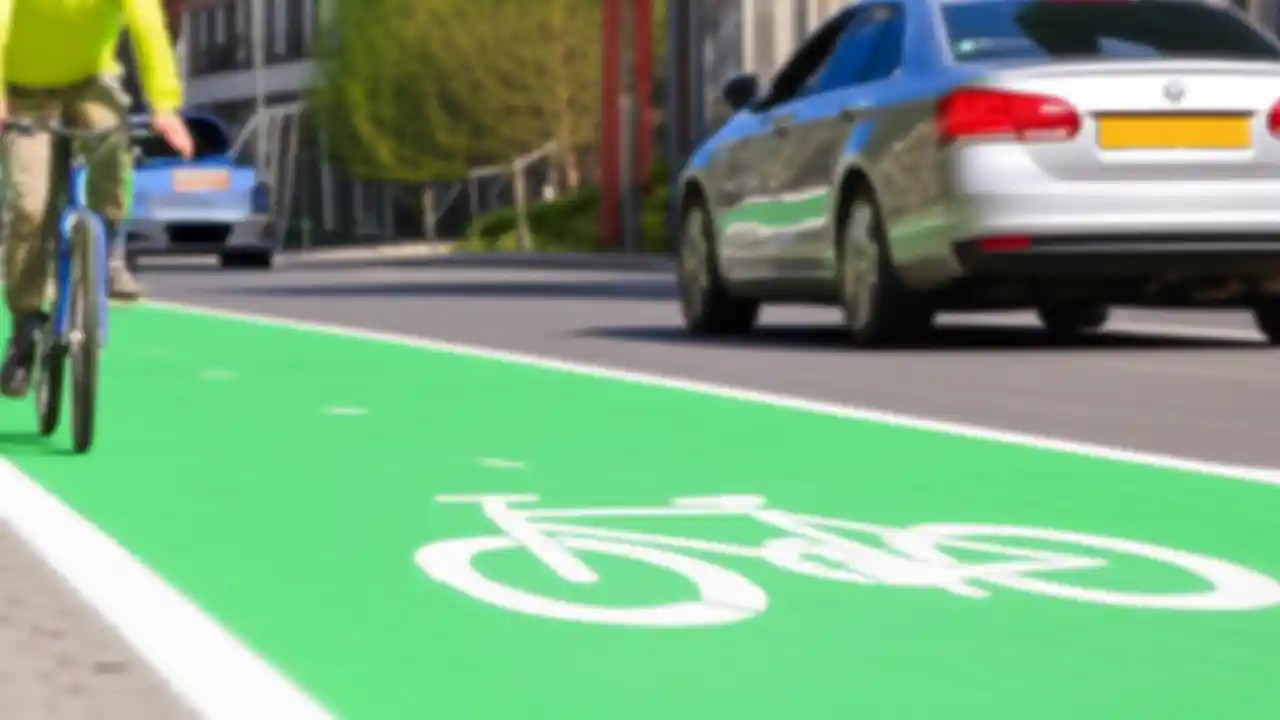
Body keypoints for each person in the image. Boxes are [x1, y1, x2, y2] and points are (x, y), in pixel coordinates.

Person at [0, 0, 195, 398]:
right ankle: (25, 327)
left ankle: (106, 251)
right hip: (23, 93)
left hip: (91, 83)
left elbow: (148, 29)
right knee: (30, 207)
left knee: (111, 143)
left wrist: (164, 107)